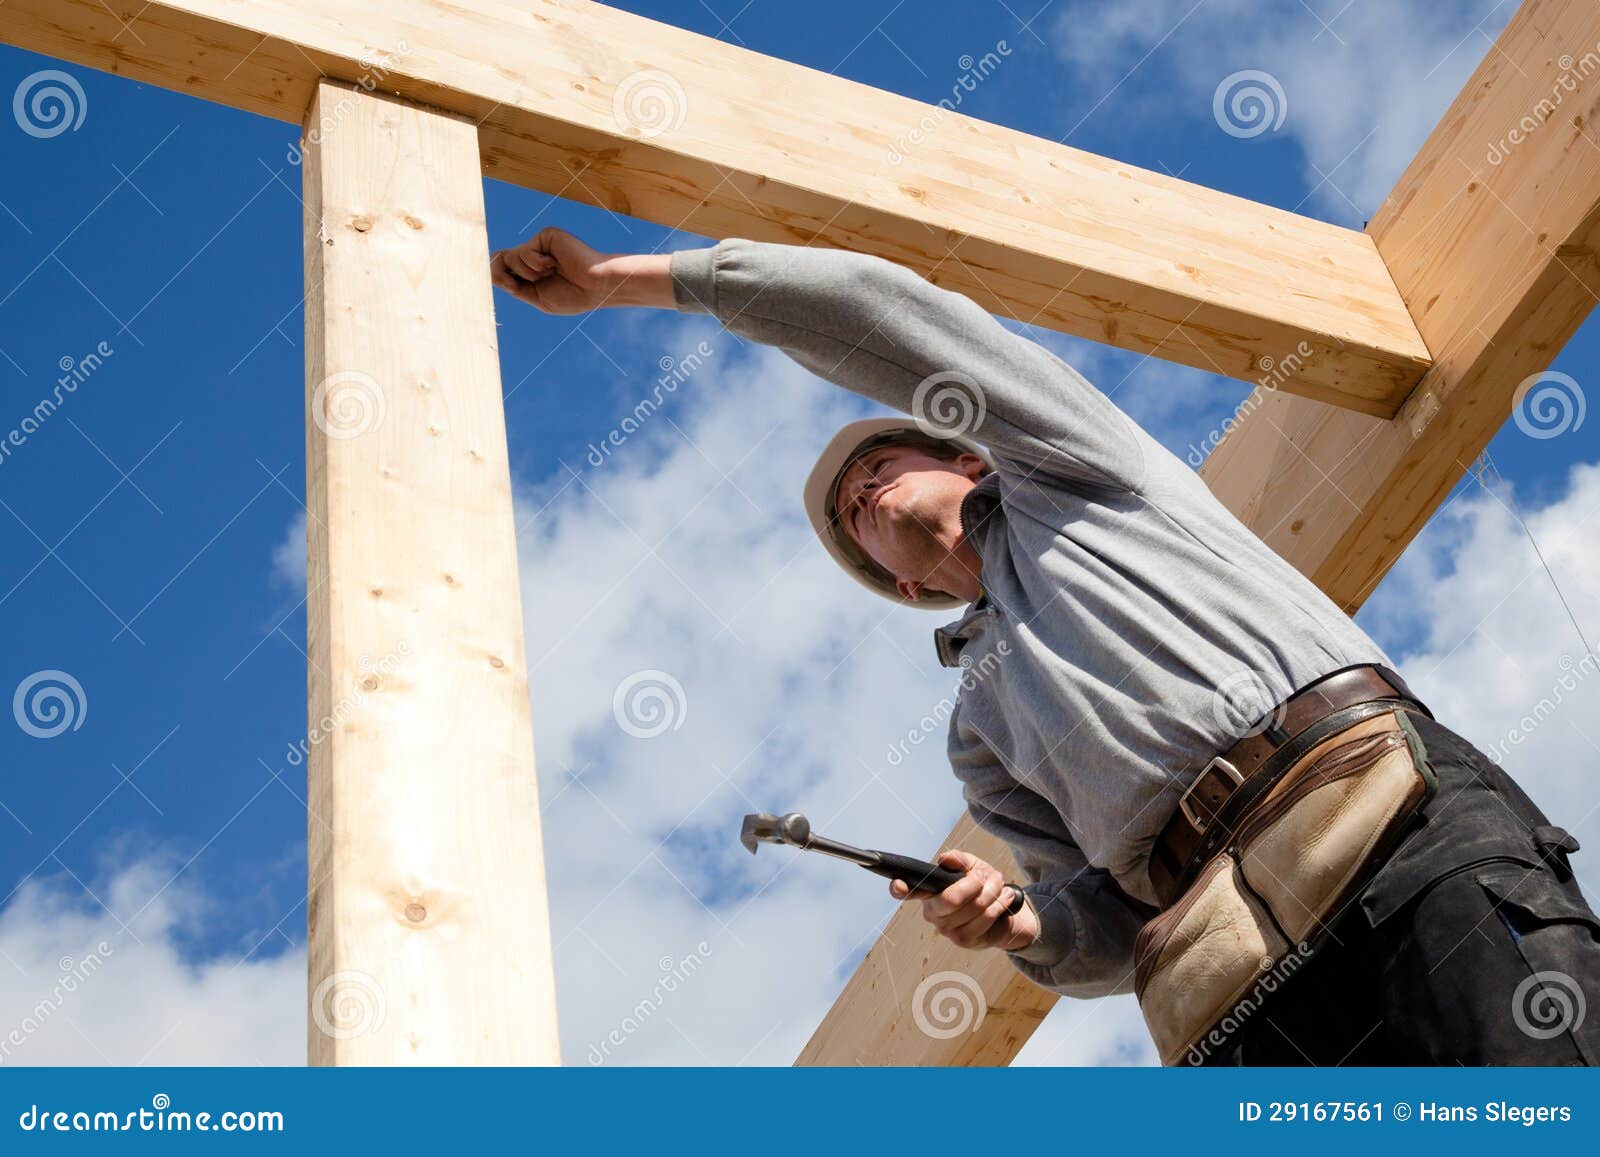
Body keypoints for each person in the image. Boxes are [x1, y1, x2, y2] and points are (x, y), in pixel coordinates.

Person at [492, 228, 1600, 1065]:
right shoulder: (982, 728)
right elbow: (1104, 929)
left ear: (970, 456)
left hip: (1387, 827)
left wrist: (630, 283)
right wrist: (1019, 919)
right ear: (907, 585)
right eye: (850, 517)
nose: (859, 491)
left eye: (877, 463)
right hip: (1243, 990)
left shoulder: (1075, 473)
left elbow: (874, 310)